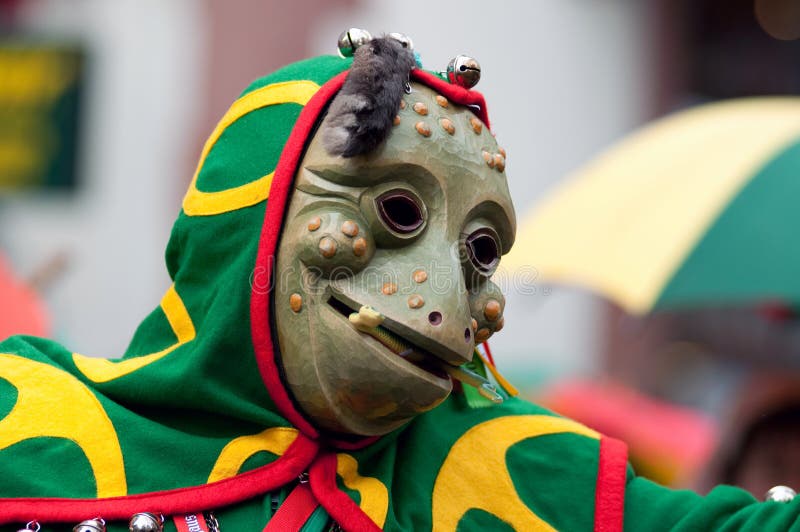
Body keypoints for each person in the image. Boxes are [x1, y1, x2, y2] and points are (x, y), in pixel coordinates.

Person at [1, 30, 798, 532]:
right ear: (252, 219)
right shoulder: (28, 422)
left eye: (482, 253)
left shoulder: (515, 470)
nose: (453, 297)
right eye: (398, 213)